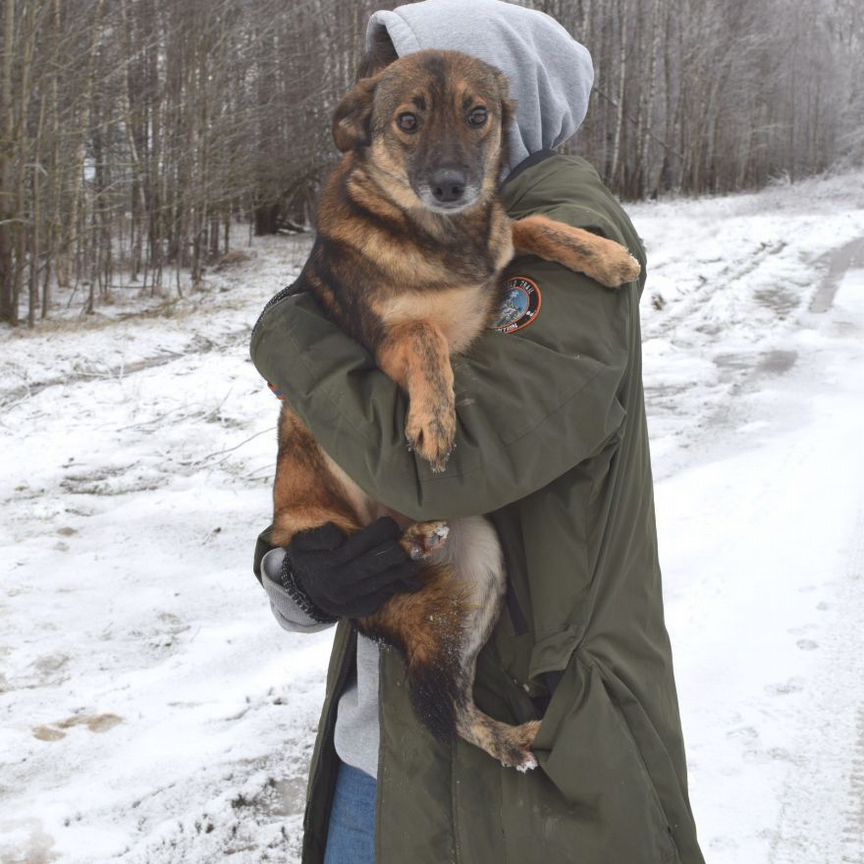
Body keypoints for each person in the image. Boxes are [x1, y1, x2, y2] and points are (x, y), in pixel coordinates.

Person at [251, 1, 706, 862]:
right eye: (404, 119)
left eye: (466, 114)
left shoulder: (567, 231)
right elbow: (335, 449)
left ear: (511, 102)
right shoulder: (397, 231)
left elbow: (440, 472)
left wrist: (285, 332)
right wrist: (301, 573)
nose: (438, 154)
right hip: (381, 754)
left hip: (523, 788)